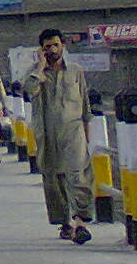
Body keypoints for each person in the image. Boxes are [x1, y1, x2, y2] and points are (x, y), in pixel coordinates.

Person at [22, 28, 97, 245]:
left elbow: (84, 103)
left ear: (63, 45)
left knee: (78, 176)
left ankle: (80, 222)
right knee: (54, 180)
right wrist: (40, 68)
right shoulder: (36, 73)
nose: (52, 50)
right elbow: (29, 90)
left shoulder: (75, 71)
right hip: (47, 135)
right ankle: (64, 223)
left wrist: (87, 133)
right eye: (47, 47)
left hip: (73, 133)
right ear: (41, 50)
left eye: (55, 45)